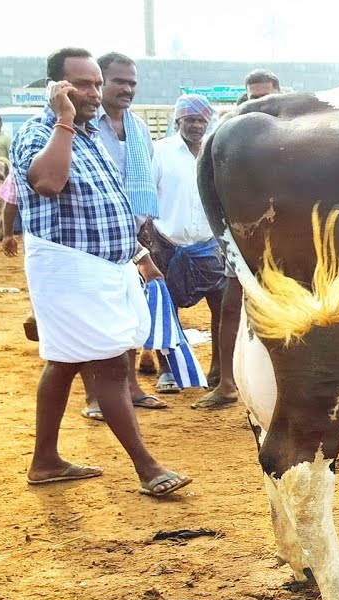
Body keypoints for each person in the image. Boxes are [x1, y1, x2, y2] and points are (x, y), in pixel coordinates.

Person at [11, 47, 189, 496]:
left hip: (103, 267)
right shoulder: (42, 132)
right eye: (82, 84)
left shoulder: (90, 136)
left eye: (96, 83)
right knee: (110, 366)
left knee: (65, 361)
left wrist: (137, 254)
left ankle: (46, 461)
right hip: (70, 269)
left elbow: (108, 207)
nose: (94, 92)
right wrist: (64, 120)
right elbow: (48, 182)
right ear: (58, 88)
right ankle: (147, 468)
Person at [80, 50, 169, 418]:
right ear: (100, 83)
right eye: (119, 81)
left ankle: (131, 386)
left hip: (129, 236)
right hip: (89, 238)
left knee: (129, 316)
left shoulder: (138, 128)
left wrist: (145, 234)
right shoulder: (86, 126)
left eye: (132, 82)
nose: (127, 89)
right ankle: (93, 397)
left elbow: (143, 181)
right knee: (88, 321)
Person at [196, 69, 281, 410]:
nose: (259, 102)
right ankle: (228, 382)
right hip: (245, 236)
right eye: (253, 96)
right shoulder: (233, 138)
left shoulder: (297, 134)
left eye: (266, 96)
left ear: (280, 93)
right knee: (232, 305)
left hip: (289, 239)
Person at [150, 94, 228, 383]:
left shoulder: (215, 153)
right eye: (190, 120)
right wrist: (151, 243)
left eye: (201, 120)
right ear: (177, 121)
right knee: (165, 309)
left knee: (221, 306)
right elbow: (146, 198)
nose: (196, 125)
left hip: (208, 247)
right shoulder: (160, 152)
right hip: (167, 245)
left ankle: (220, 369)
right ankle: (166, 370)